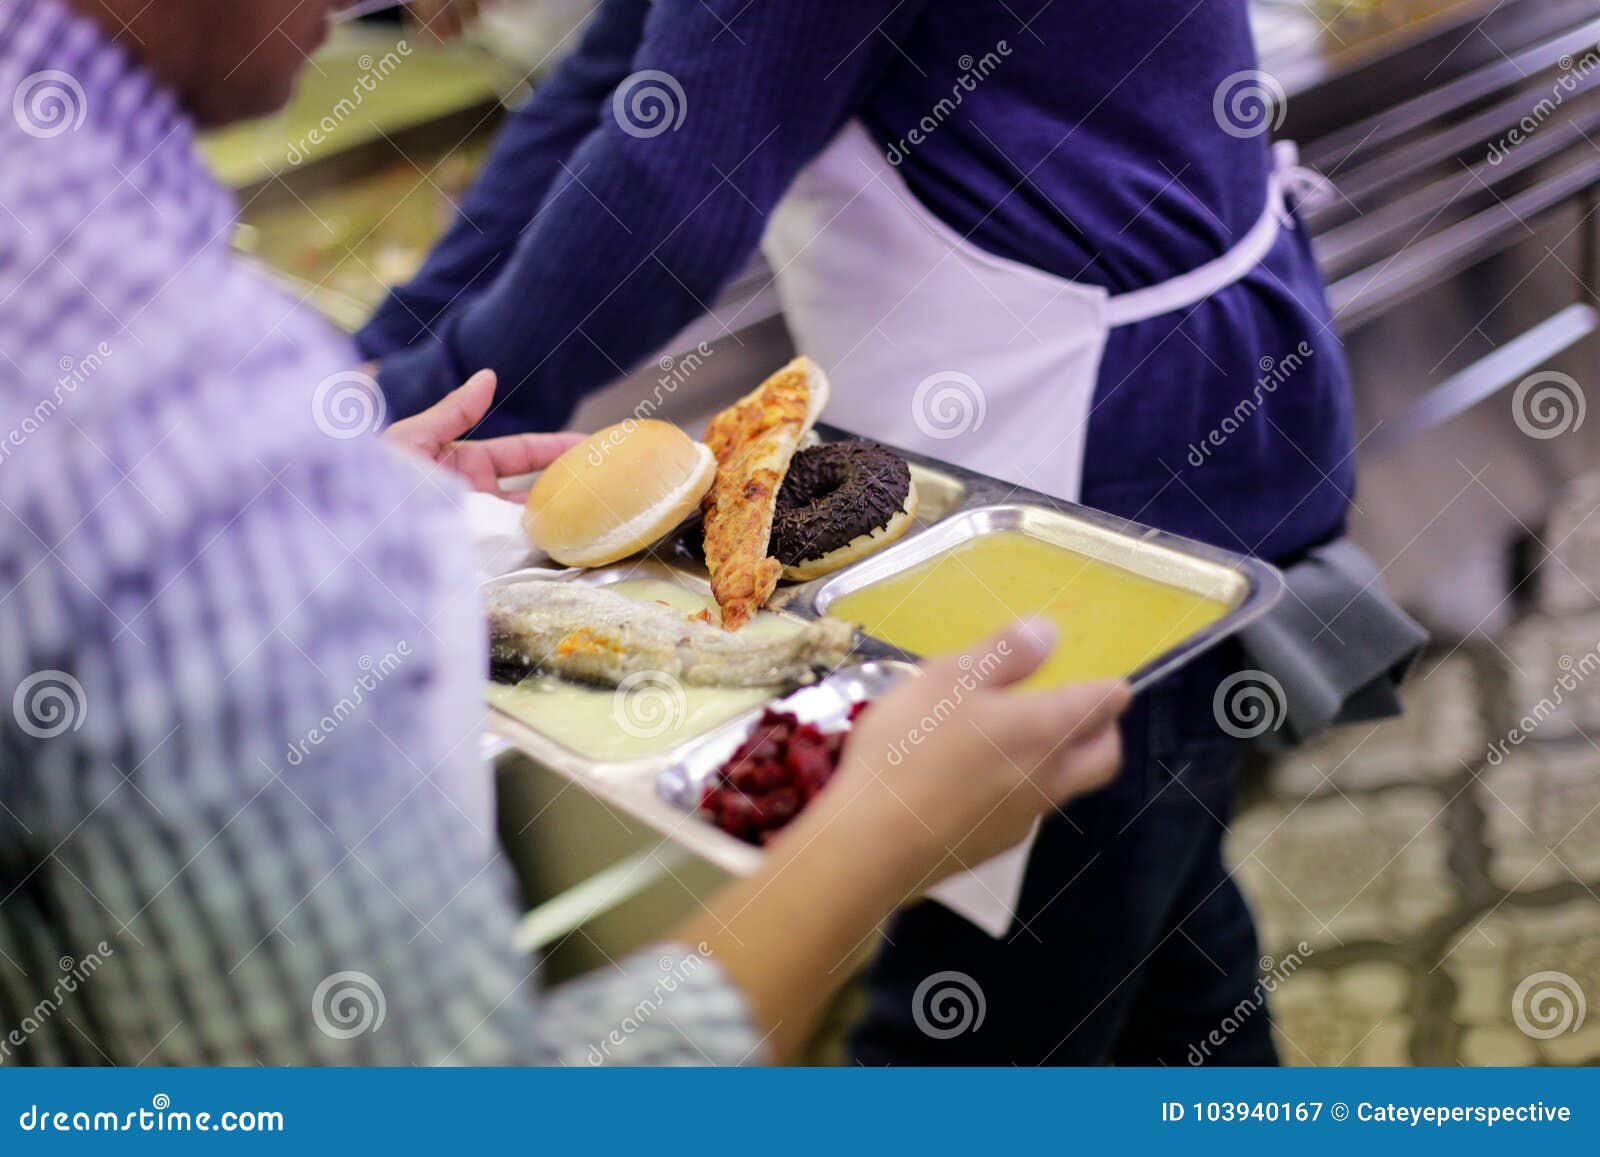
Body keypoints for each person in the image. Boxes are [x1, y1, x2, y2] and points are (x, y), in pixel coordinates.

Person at [0, 0, 1130, 1066]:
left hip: (1109, 425)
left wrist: (347, 428)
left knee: (1134, 926)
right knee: (1028, 967)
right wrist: (871, 840)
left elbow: (654, 134)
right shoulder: (189, 403)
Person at [356, 1, 1356, 1063]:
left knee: (981, 1003)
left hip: (1108, 461)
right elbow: (613, 81)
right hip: (1031, 429)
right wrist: (383, 368)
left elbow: (671, 185)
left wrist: (399, 403)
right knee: (1157, 918)